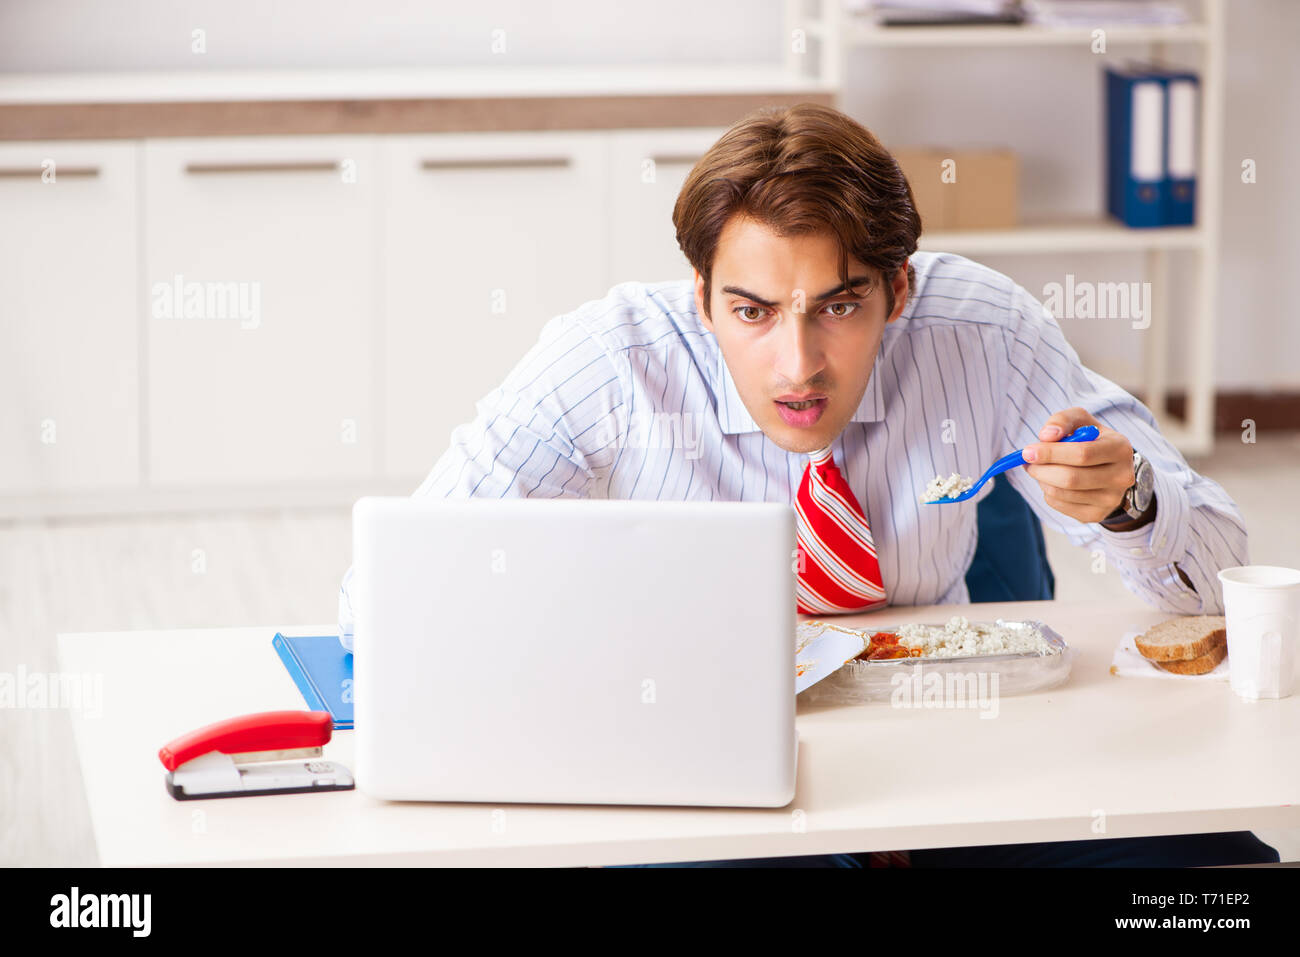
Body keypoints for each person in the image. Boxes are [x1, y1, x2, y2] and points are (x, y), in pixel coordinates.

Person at [337, 102, 1276, 867]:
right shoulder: (610, 361)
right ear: (699, 297)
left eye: (840, 305)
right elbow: (384, 604)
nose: (798, 365)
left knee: (1220, 885)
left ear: (898, 291)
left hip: (952, 748)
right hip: (700, 767)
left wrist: (1131, 502)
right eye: (751, 311)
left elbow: (1225, 582)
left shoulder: (985, 330)